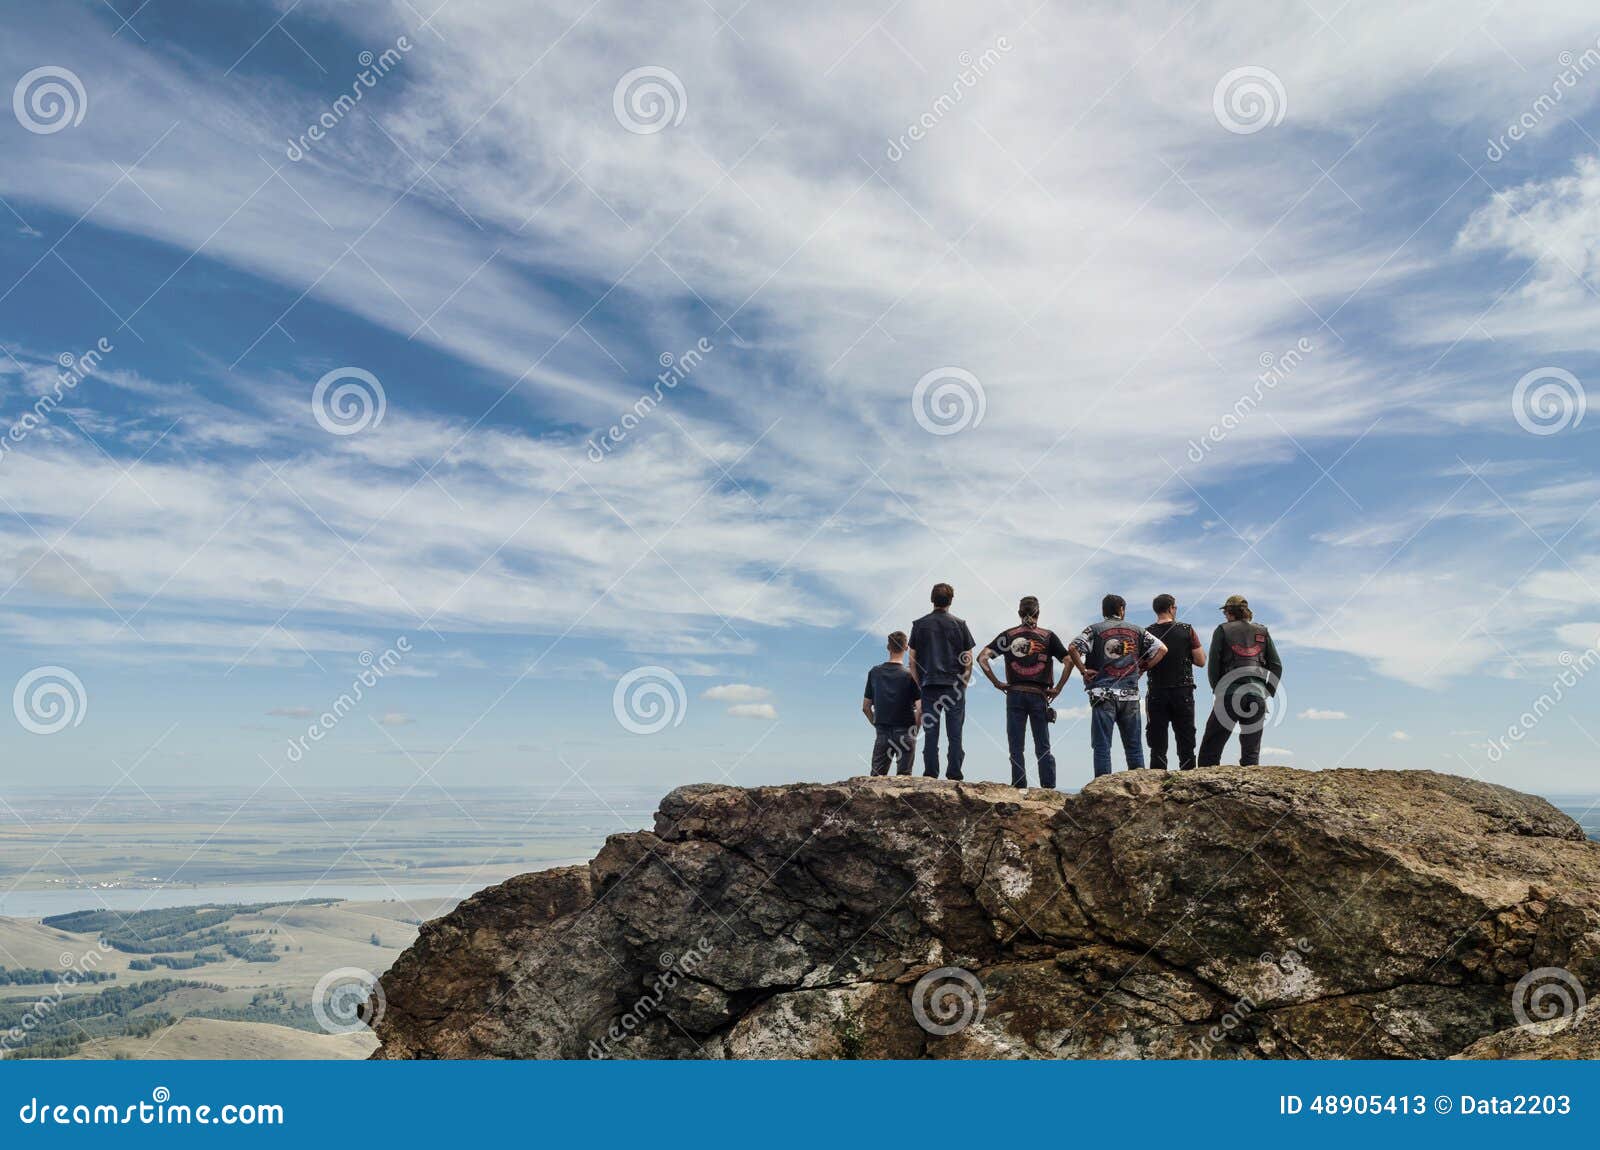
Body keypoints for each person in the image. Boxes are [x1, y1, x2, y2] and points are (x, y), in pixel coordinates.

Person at [977, 596, 1074, 790]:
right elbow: (1069, 661)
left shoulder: (1008, 635)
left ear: (1020, 613)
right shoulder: (1048, 636)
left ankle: (1019, 785)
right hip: (1039, 694)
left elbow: (982, 658)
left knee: (1016, 745)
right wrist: (1058, 688)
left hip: (1014, 693)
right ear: (1038, 613)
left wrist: (997, 683)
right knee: (1043, 745)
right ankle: (1048, 788)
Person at [1073, 594, 1167, 776]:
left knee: (1102, 746)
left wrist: (1083, 670)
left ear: (1103, 610)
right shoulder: (1138, 630)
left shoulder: (1093, 630)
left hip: (1102, 694)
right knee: (1133, 746)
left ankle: (1101, 788)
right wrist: (1143, 668)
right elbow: (1162, 649)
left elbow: (1073, 648)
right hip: (1130, 694)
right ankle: (1139, 786)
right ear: (1122, 609)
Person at [1198, 595, 1283, 767]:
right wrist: (1266, 691)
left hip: (1229, 693)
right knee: (1251, 753)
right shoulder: (1263, 631)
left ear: (1229, 612)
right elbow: (1276, 666)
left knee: (1211, 748)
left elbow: (1213, 665)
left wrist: (1218, 691)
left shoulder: (1222, 630)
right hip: (1257, 696)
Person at [909, 583, 976, 781]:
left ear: (932, 599)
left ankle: (930, 773)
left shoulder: (919, 625)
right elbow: (968, 658)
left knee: (931, 732)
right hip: (954, 685)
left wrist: (919, 684)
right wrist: (963, 683)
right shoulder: (960, 624)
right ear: (951, 600)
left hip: (929, 684)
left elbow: (912, 660)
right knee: (955, 733)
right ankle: (954, 773)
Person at [1144, 594, 1206, 771]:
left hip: (1156, 690)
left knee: (1157, 741)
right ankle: (1187, 780)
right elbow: (1201, 661)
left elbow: (1142, 661)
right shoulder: (1187, 630)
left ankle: (1156, 781)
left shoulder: (1146, 633)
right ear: (1171, 608)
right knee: (1186, 738)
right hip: (1183, 690)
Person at [862, 631, 922, 777]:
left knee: (875, 780)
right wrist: (915, 729)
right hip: (906, 731)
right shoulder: (910, 675)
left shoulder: (875, 672)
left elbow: (865, 707)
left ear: (888, 647)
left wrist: (876, 724)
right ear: (906, 648)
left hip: (883, 731)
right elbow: (920, 708)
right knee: (904, 780)